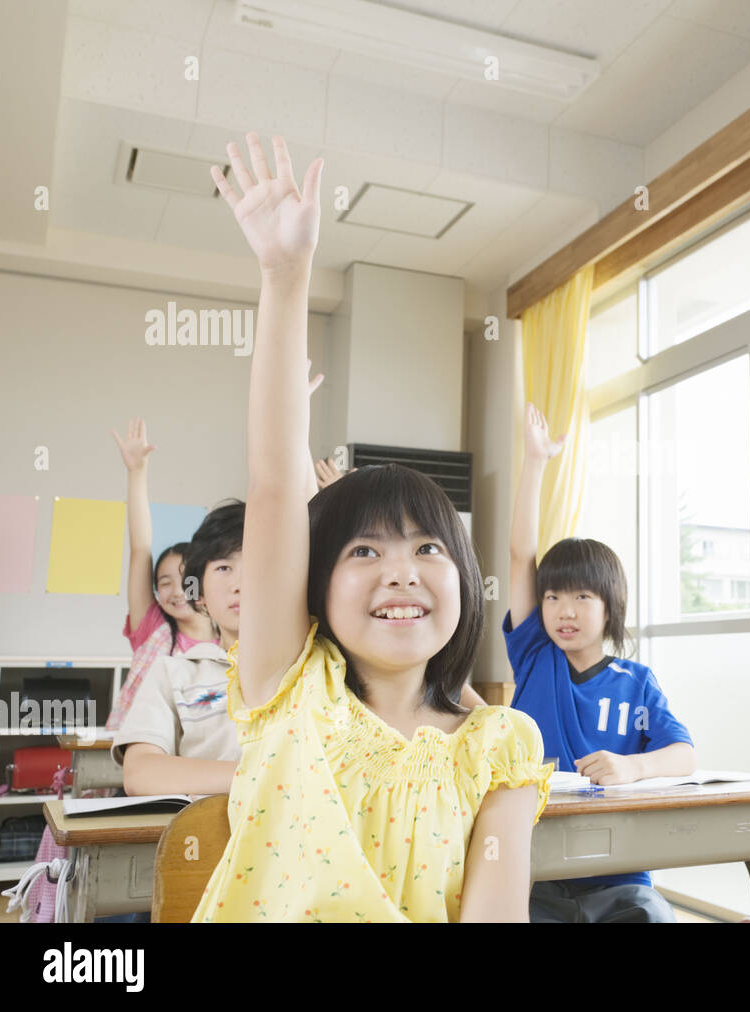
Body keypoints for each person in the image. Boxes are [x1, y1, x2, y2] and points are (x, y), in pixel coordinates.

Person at [193, 132, 548, 922]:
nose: (400, 571)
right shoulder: (288, 684)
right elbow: (277, 482)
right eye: (363, 550)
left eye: (427, 547)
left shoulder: (497, 746)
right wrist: (285, 278)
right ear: (313, 585)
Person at [506, 403, 695, 922]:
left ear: (610, 607)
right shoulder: (534, 656)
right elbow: (520, 552)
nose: (564, 611)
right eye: (553, 597)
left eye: (582, 597)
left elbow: (683, 753)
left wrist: (632, 767)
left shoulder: (636, 681)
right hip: (536, 870)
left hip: (619, 873)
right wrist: (535, 462)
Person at [112, 501, 246, 796]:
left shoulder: (314, 663)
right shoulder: (173, 672)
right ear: (198, 594)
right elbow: (140, 774)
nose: (240, 583)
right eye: (224, 567)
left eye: (258, 566)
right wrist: (263, 779)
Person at [107, 417, 216, 731]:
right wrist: (136, 472)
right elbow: (141, 547)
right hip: (135, 759)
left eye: (187, 580)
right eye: (164, 583)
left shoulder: (230, 643)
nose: (176, 591)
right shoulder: (153, 628)